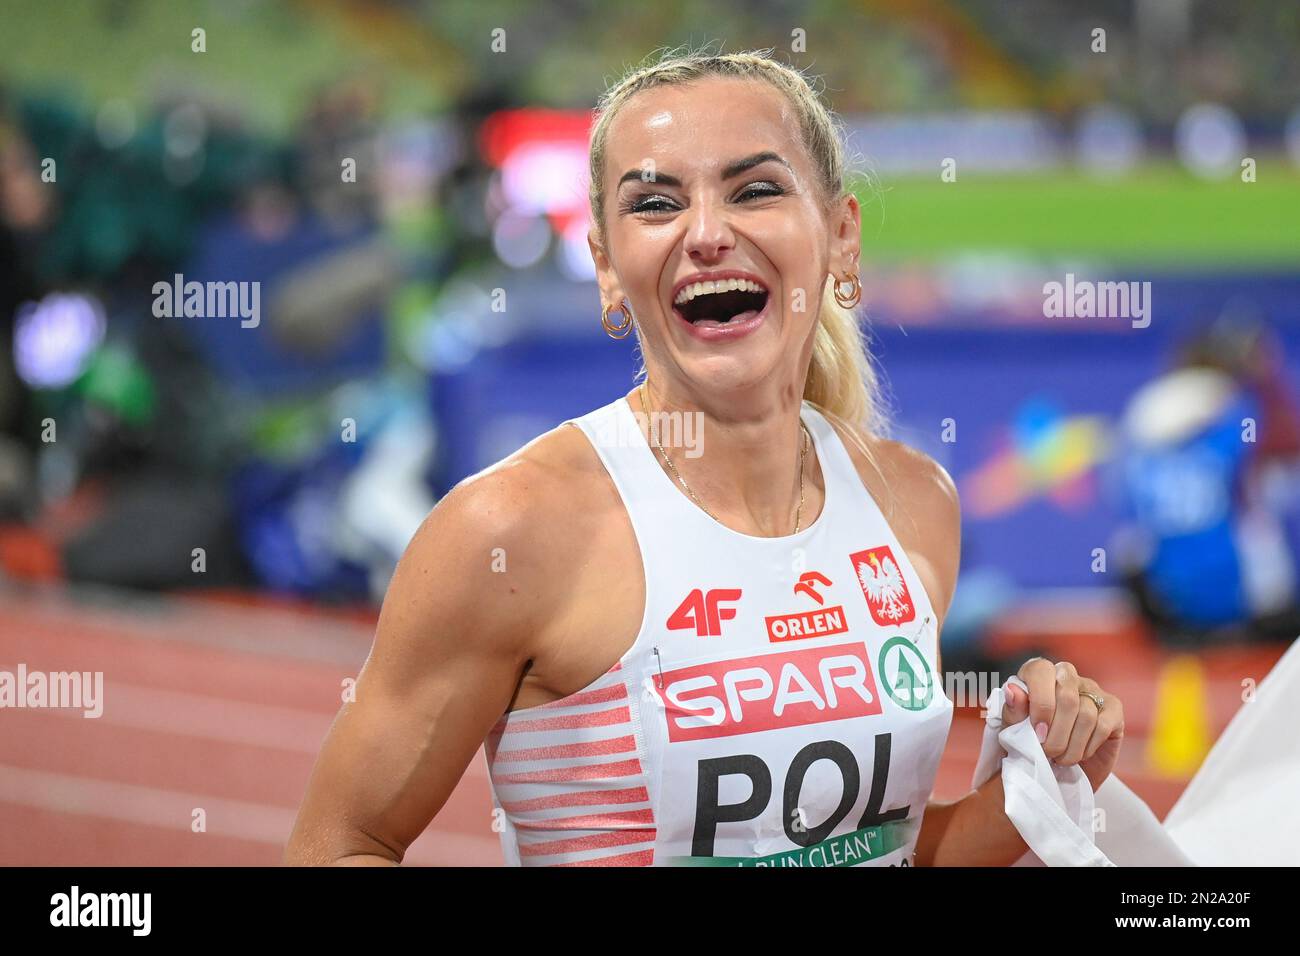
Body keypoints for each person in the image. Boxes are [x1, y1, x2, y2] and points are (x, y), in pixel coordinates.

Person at [284, 48, 1125, 867]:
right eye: (654, 204)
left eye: (755, 190)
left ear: (840, 237)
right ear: (609, 270)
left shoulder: (913, 502)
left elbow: (888, 848)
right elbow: (344, 842)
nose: (708, 234)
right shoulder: (510, 532)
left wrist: (1045, 780)